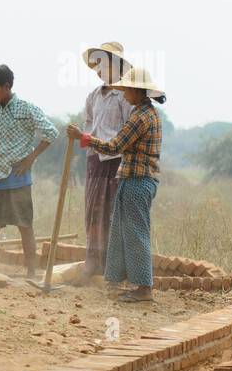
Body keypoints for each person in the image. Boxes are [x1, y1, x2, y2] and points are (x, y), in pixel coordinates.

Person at [66, 67, 165, 303]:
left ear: (135, 91)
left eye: (126, 90)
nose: (124, 94)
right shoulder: (148, 113)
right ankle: (124, 281)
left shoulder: (140, 117)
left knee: (135, 235)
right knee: (122, 232)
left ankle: (143, 288)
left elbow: (114, 146)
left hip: (137, 181)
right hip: (134, 179)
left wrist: (85, 138)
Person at [0, 64, 59, 279]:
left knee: (24, 225)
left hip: (17, 177)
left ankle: (31, 272)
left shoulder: (26, 108)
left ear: (6, 86)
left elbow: (51, 132)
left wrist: (31, 158)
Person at [80, 42, 134, 284]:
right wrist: (85, 143)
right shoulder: (94, 96)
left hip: (116, 160)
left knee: (114, 214)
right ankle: (93, 263)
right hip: (95, 161)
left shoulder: (125, 95)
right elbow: (88, 126)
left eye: (104, 63)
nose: (99, 68)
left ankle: (114, 269)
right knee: (94, 212)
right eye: (97, 64)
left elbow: (129, 130)